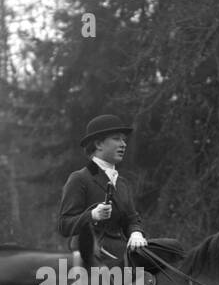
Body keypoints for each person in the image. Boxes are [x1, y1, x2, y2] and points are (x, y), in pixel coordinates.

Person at [57, 113, 181, 265]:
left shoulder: (122, 183)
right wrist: (93, 215)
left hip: (122, 251)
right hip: (94, 257)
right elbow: (64, 225)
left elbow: (132, 219)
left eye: (123, 139)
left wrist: (136, 233)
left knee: (173, 248)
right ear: (98, 144)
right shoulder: (79, 178)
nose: (123, 144)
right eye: (117, 139)